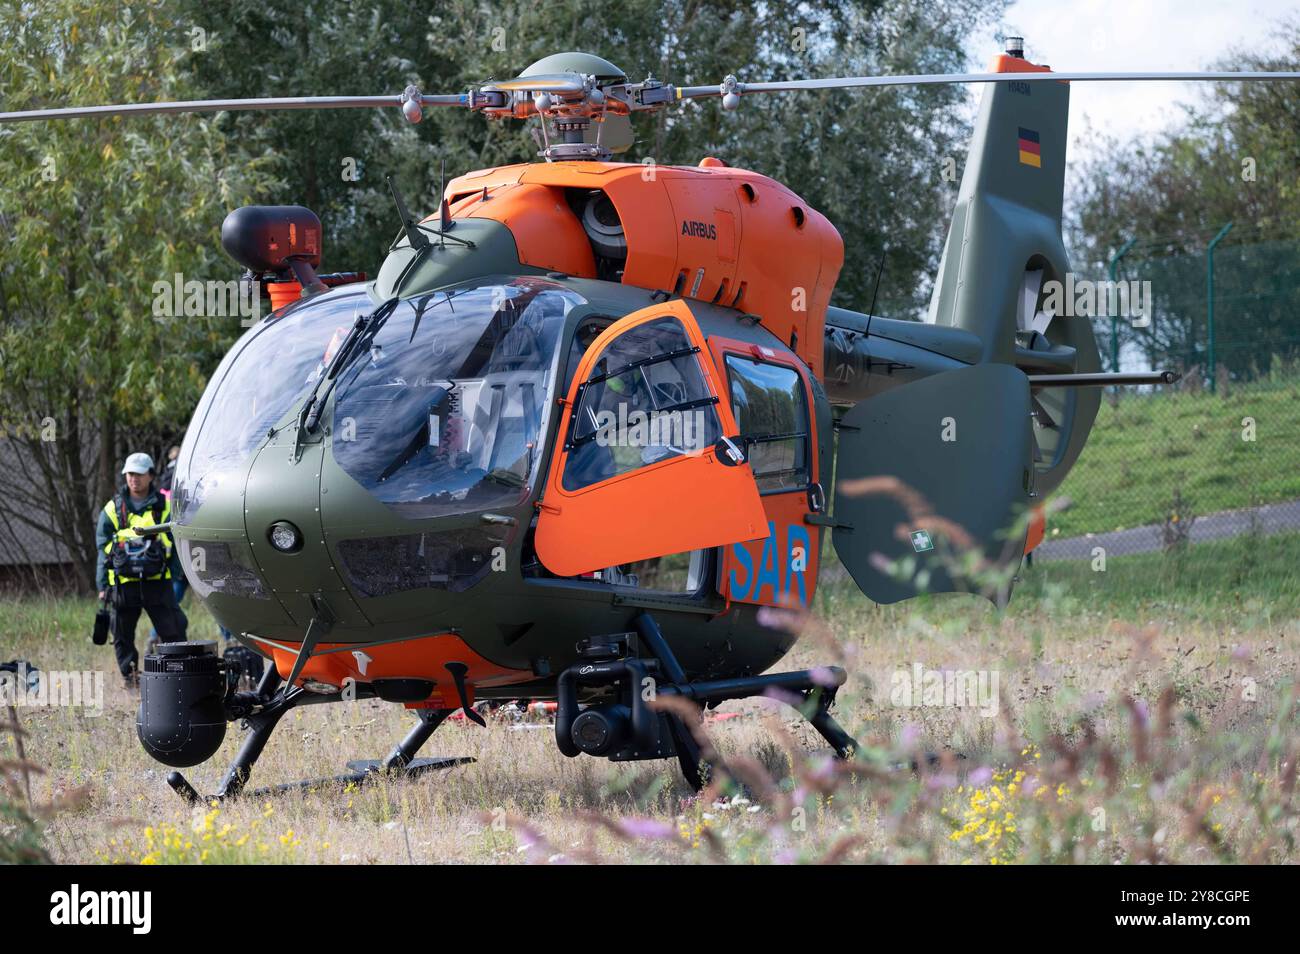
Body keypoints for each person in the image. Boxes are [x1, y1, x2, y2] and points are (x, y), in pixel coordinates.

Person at [96, 452, 185, 688]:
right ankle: (131, 679)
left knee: (174, 630)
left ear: (151, 476)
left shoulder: (165, 506)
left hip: (158, 582)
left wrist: (176, 572)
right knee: (122, 636)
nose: (133, 479)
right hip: (124, 584)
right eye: (130, 474)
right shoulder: (113, 509)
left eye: (139, 474)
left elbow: (177, 541)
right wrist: (102, 585)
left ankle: (178, 676)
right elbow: (103, 548)